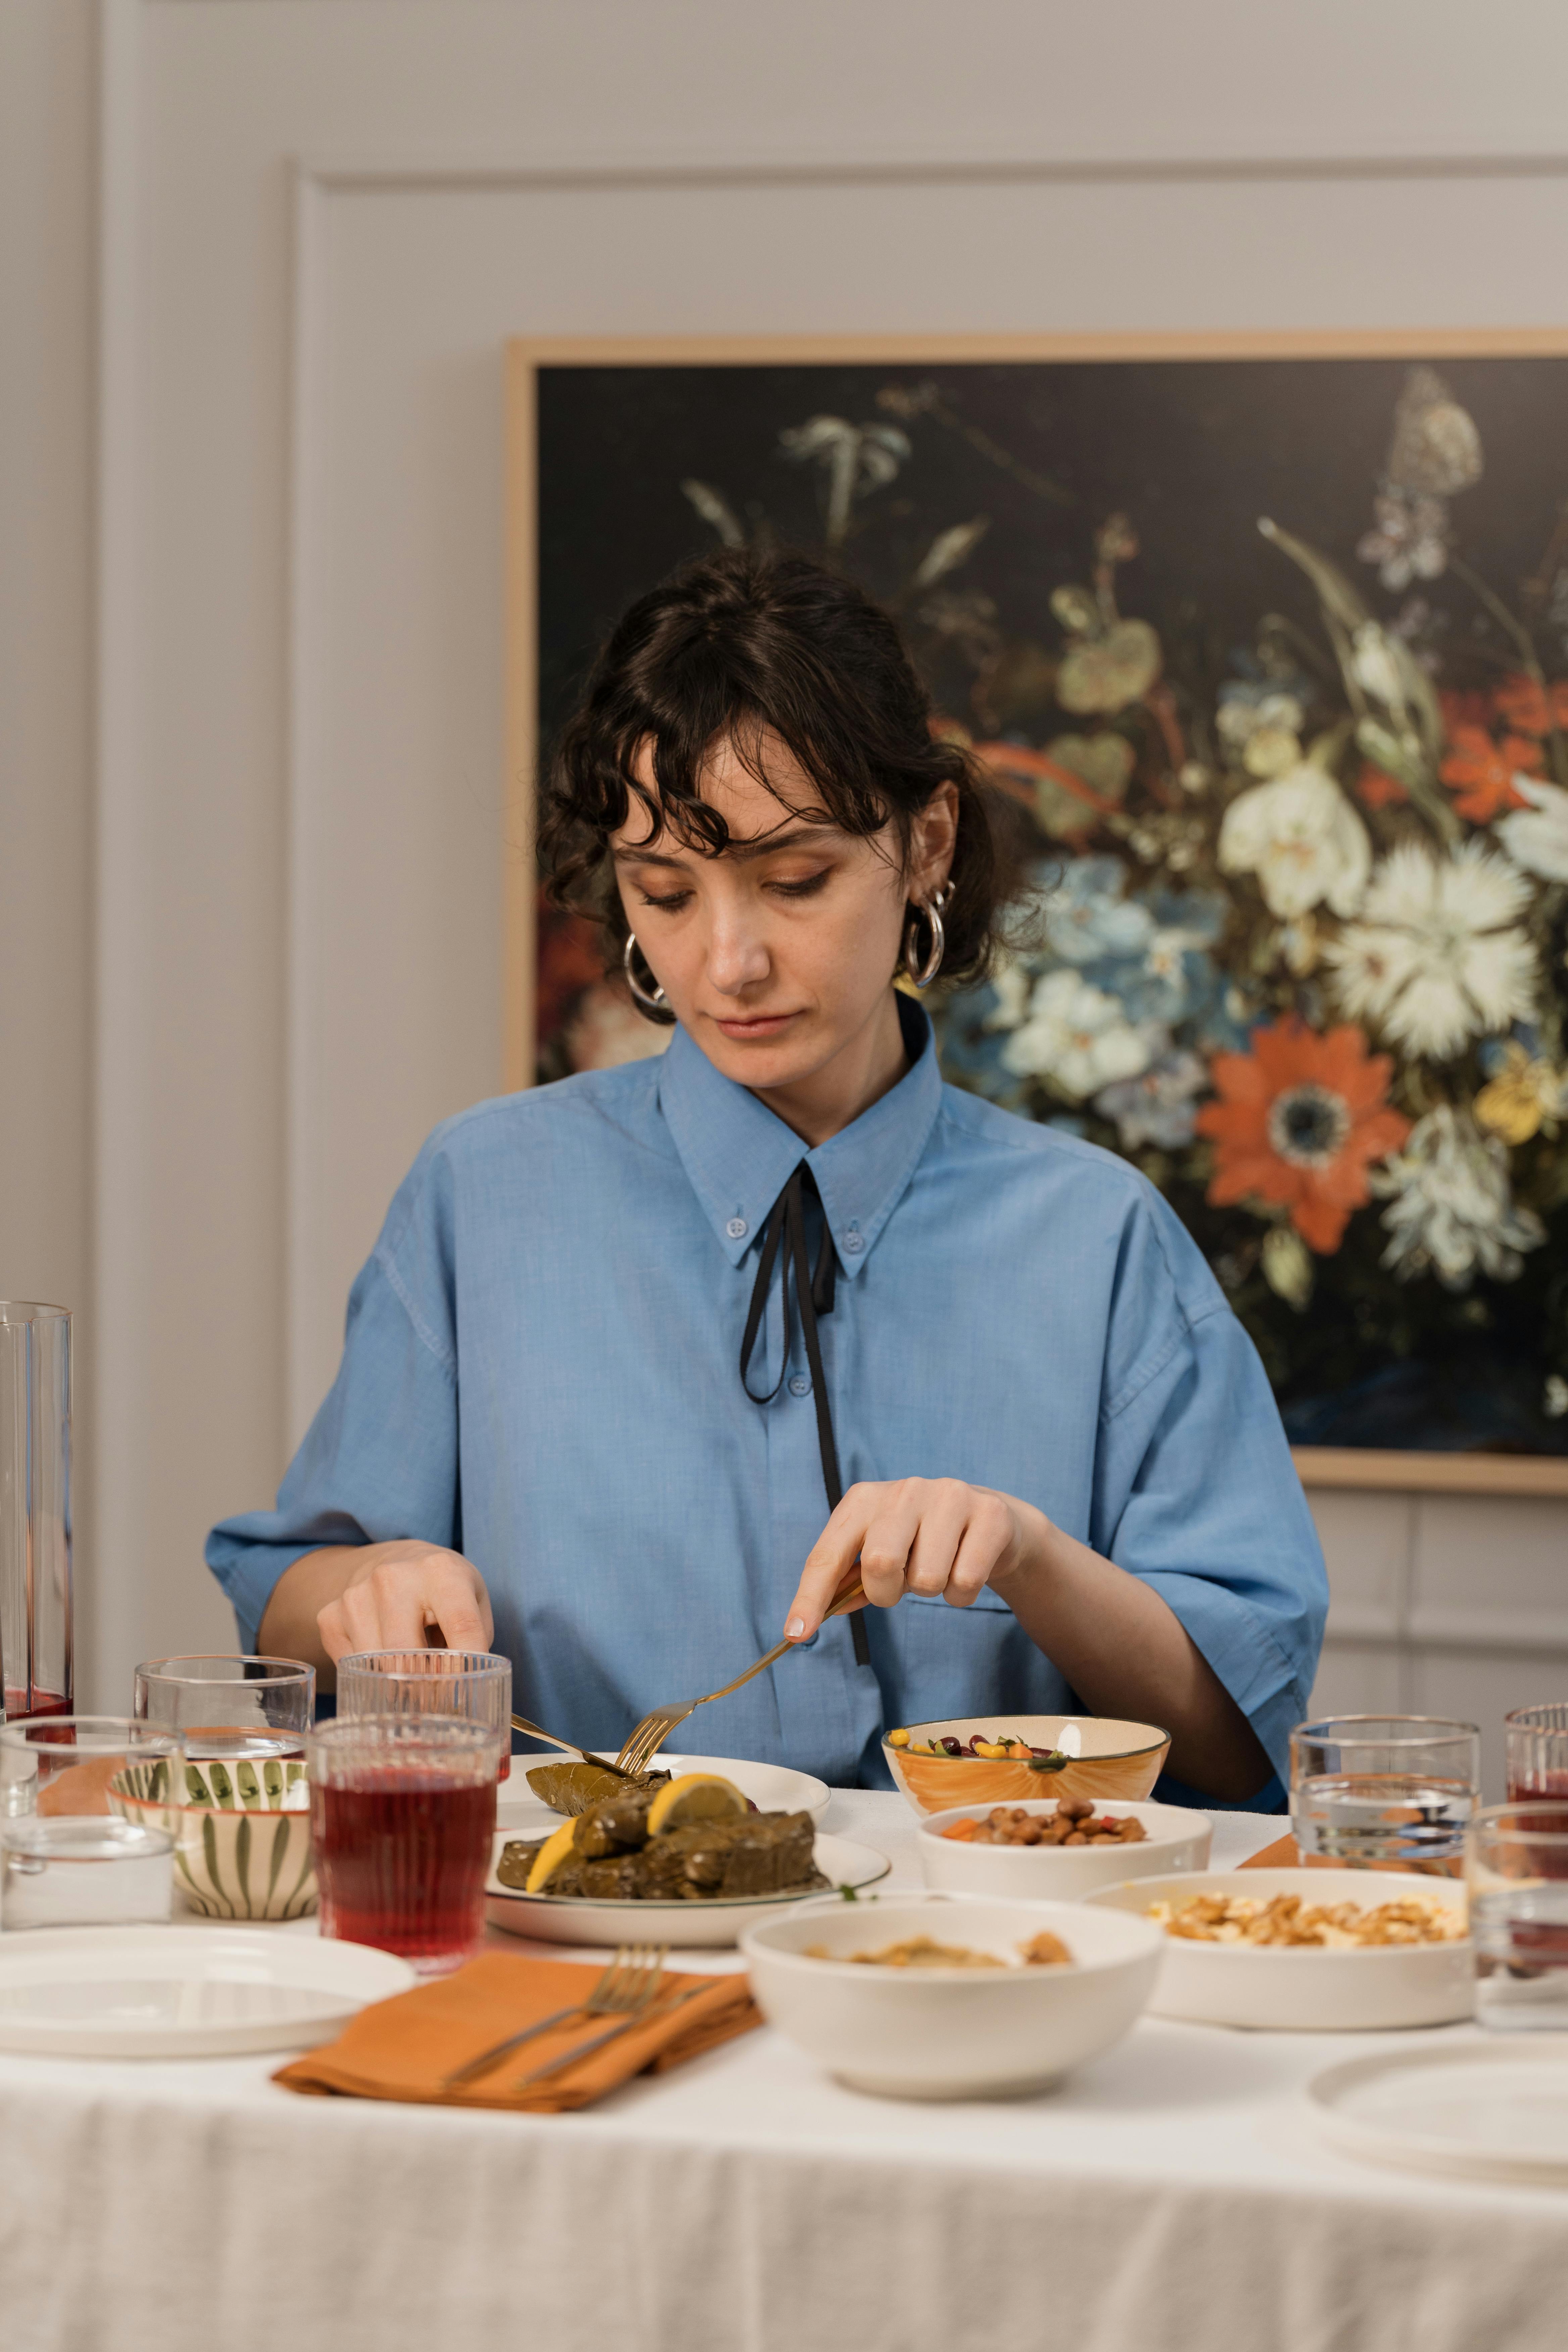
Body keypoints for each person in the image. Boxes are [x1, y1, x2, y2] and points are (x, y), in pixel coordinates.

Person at [207, 549, 1325, 1802]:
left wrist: (1030, 1557)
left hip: (979, 1923)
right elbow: (284, 1604)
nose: (728, 962)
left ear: (927, 843)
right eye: (666, 893)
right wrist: (369, 1588)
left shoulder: (1099, 1235)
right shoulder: (484, 1191)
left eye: (795, 883)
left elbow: (1240, 1743)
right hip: (568, 1912)